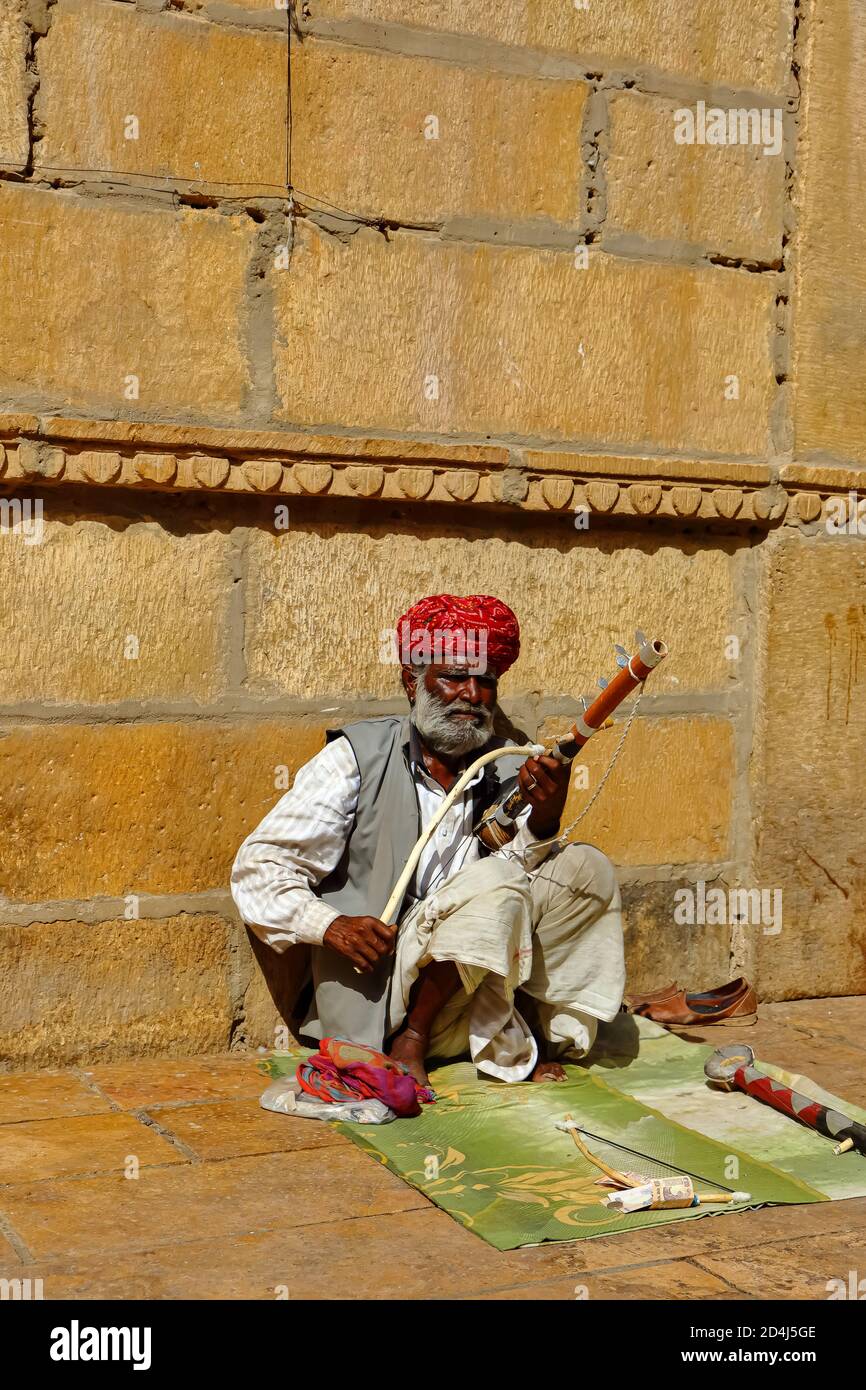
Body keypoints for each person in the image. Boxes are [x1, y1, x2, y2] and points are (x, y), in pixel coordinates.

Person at [231, 594, 624, 1086]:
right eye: (454, 677)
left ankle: (530, 1032)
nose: (472, 695)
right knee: (496, 883)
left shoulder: (505, 759)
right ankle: (409, 1040)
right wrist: (331, 926)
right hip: (380, 1000)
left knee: (584, 868)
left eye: (486, 682)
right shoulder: (357, 758)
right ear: (411, 683)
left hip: (470, 998)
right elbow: (259, 867)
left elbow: (525, 871)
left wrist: (545, 817)